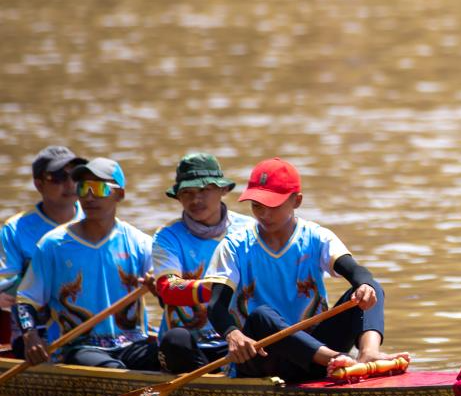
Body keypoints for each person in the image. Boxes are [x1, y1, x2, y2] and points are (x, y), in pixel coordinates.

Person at [204, 157, 408, 383]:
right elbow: (216, 306)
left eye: (273, 206)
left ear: (297, 201)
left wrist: (364, 285)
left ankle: (368, 354)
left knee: (370, 287)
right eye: (257, 206)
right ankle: (336, 359)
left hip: (313, 355)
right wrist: (232, 334)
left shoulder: (317, 237)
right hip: (262, 357)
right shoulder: (234, 246)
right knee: (261, 315)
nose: (264, 215)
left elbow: (355, 271)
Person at [16, 158, 159, 370]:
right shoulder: (53, 245)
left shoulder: (139, 243)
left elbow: (167, 284)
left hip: (133, 343)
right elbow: (26, 300)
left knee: (173, 356)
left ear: (120, 194)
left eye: (99, 188)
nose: (89, 197)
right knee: (112, 370)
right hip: (78, 347)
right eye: (82, 188)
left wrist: (159, 286)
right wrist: (30, 334)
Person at [152, 153, 255, 374]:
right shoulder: (167, 236)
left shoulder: (249, 230)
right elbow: (167, 288)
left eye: (204, 190)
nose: (195, 200)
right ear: (178, 197)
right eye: (187, 193)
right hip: (189, 345)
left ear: (223, 190)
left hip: (238, 339)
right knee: (175, 340)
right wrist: (219, 289)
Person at [0, 146, 87, 357]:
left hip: (93, 326)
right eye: (58, 178)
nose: (69, 185)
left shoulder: (97, 219)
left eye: (74, 176)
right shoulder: (15, 229)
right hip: (37, 331)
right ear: (38, 184)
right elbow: (6, 291)